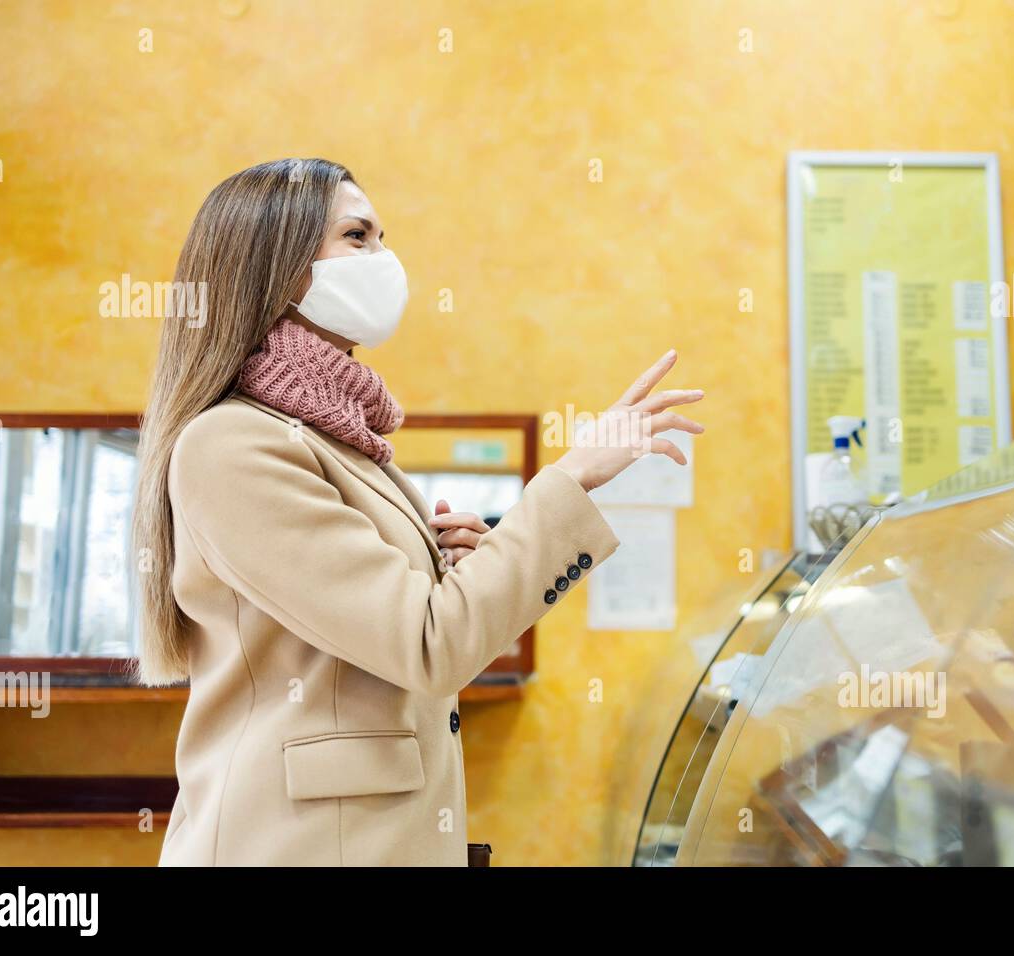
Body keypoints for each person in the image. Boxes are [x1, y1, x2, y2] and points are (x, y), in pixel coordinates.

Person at [131, 158, 704, 865]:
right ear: (276, 264)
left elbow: (409, 631)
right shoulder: (233, 444)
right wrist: (572, 475)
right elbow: (431, 647)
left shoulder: (339, 437)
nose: (384, 258)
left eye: (382, 237)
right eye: (357, 236)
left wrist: (462, 566)